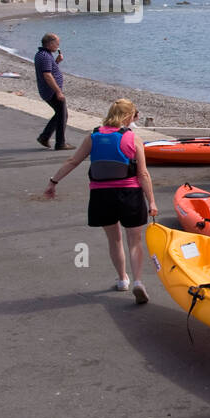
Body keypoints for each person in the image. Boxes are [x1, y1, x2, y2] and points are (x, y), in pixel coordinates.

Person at [43, 98, 158, 303]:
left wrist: (53, 182)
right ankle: (138, 281)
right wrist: (152, 202)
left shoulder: (94, 136)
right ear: (128, 116)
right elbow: (143, 174)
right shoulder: (133, 138)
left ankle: (123, 279)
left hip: (101, 195)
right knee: (135, 241)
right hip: (129, 194)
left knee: (114, 240)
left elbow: (73, 161)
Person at [34, 33, 72, 150]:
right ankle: (60, 143)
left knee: (61, 114)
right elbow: (47, 75)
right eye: (57, 44)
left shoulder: (44, 55)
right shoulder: (45, 56)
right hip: (51, 91)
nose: (58, 46)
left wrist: (57, 62)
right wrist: (58, 91)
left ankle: (45, 137)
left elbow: (49, 69)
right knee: (62, 115)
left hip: (49, 90)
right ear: (50, 43)